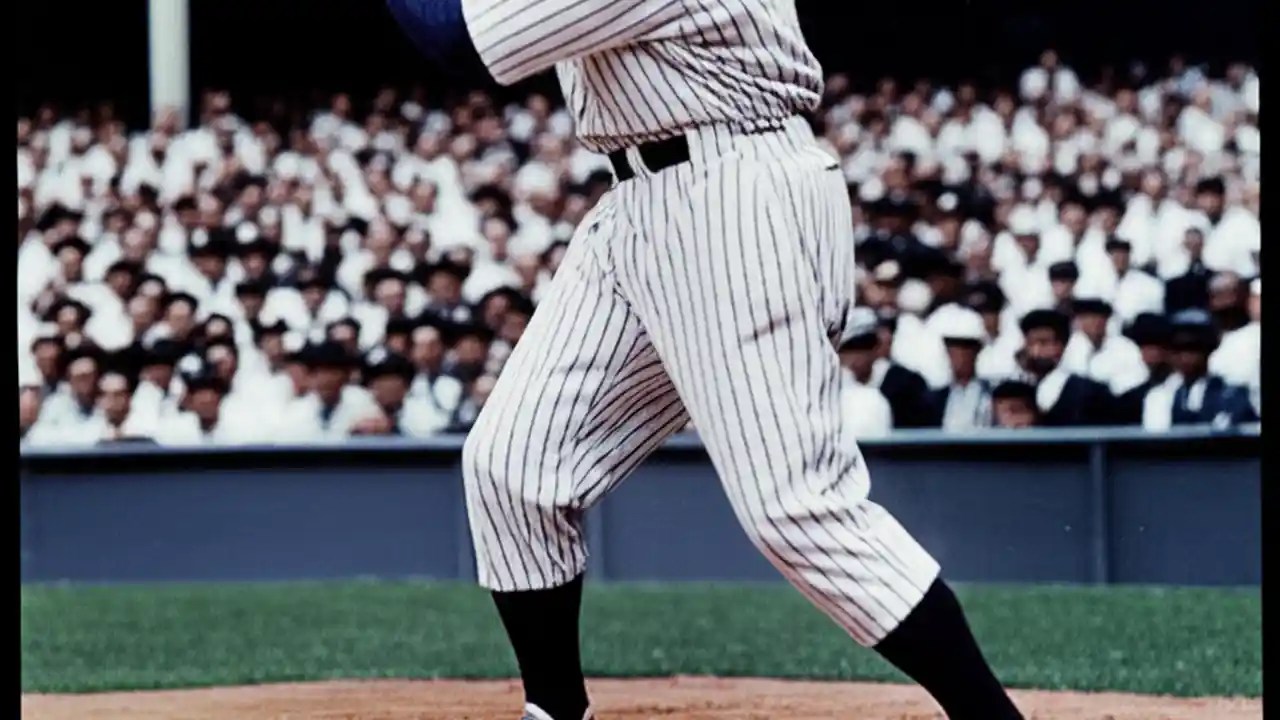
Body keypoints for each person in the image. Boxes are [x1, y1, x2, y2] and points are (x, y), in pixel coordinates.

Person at [388, 2, 1024, 720]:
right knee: (511, 467)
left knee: (798, 509)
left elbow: (455, 39)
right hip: (641, 200)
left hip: (731, 193)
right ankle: (556, 711)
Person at [1143, 309, 1258, 431]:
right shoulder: (1159, 397)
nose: (1185, 357)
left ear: (1208, 350)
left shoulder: (1230, 395)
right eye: (1177, 349)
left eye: (1193, 348)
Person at [1016, 309, 1115, 427]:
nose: (1036, 352)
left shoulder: (1090, 393)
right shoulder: (1019, 388)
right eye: (1030, 343)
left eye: (1044, 343)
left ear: (1062, 345)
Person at [927, 305, 992, 431]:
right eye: (953, 345)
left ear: (978, 349)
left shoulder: (991, 395)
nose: (960, 353)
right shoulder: (933, 400)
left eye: (966, 346)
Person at [834, 309, 895, 439]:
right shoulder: (829, 392)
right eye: (850, 348)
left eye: (868, 345)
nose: (860, 356)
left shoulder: (901, 382)